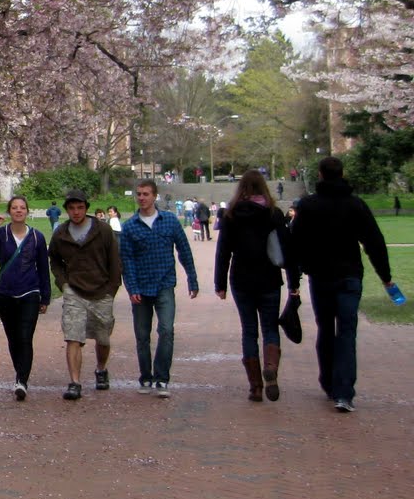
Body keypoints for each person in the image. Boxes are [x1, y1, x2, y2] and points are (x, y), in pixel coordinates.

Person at [288, 155, 396, 412]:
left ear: (321, 175)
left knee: (326, 329)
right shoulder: (355, 205)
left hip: (321, 276)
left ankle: (329, 382)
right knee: (346, 332)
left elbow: (295, 244)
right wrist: (386, 276)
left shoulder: (308, 206)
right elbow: (374, 242)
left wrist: (295, 279)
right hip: (348, 275)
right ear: (342, 174)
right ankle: (343, 391)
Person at [214, 170, 299, 402]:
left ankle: (255, 387)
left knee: (249, 330)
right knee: (270, 328)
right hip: (269, 278)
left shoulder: (231, 215)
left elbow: (223, 251)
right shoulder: (273, 214)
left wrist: (219, 283)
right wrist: (293, 283)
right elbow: (286, 250)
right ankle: (270, 367)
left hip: (241, 279)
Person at [119, 179, 198, 396]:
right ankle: (146, 376)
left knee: (166, 330)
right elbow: (127, 260)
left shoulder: (170, 221)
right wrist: (132, 287)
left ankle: (162, 377)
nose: (142, 198)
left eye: (146, 194)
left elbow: (184, 251)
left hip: (164, 284)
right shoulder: (129, 227)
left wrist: (192, 279)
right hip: (141, 287)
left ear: (155, 196)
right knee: (142, 335)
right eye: (139, 194)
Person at [48, 191, 122, 399]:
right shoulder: (61, 233)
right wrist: (63, 283)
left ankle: (101, 368)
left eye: (80, 208)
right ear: (67, 210)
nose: (76, 212)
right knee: (73, 336)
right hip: (74, 291)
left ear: (86, 208)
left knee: (103, 338)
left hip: (101, 290)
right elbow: (54, 259)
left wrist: (112, 288)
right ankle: (75, 382)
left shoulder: (103, 230)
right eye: (72, 208)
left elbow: (115, 260)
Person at [0, 195, 51, 401]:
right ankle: (19, 372)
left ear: (27, 212)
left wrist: (45, 297)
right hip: (6, 293)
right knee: (13, 338)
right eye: (15, 208)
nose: (19, 211)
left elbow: (44, 269)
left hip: (30, 292)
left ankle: (22, 380)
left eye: (22, 208)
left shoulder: (37, 237)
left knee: (25, 337)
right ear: (9, 212)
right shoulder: (2, 235)